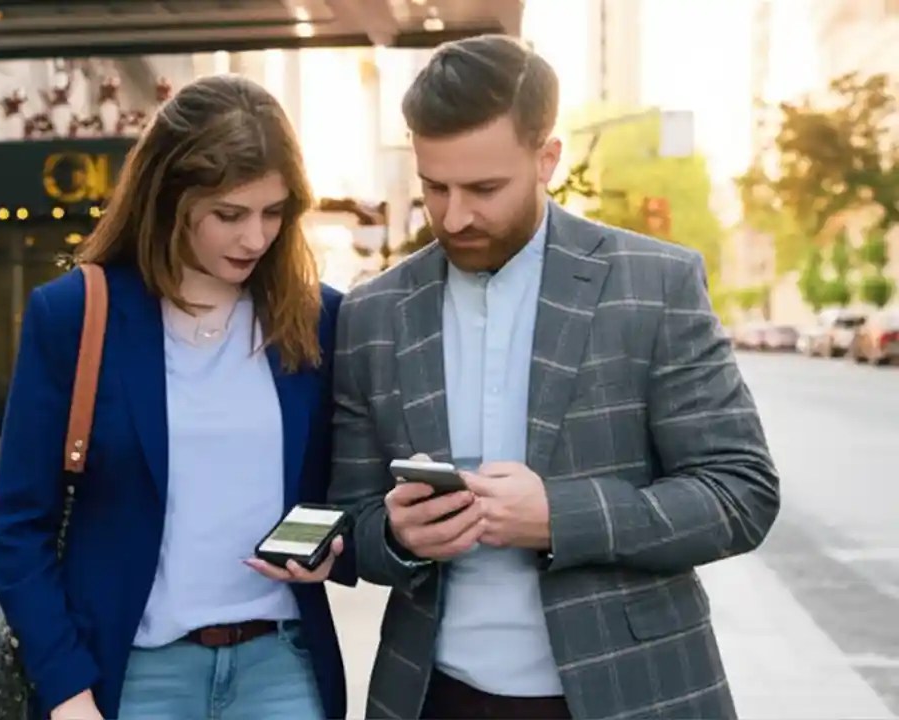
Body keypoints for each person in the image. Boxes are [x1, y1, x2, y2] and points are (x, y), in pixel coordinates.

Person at [328, 35, 780, 720]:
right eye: (434, 187)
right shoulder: (373, 312)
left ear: (547, 159)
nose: (454, 216)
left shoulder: (655, 285)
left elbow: (740, 494)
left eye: (484, 189)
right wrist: (395, 535)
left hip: (633, 693)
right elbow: (350, 519)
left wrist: (560, 517)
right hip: (433, 695)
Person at [0, 74, 354, 720]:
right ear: (168, 200)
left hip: (281, 668)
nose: (255, 238)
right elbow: (19, 526)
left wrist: (339, 547)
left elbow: (350, 491)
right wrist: (67, 691)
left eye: (273, 212)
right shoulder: (75, 316)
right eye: (229, 215)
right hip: (134, 677)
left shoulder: (318, 319)